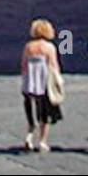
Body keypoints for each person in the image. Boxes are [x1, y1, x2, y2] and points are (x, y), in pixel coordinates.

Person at [20, 18, 63, 152]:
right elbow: (53, 65)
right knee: (44, 113)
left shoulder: (29, 46)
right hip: (44, 82)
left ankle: (29, 136)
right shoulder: (49, 47)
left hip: (30, 82)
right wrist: (59, 79)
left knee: (31, 112)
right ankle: (42, 141)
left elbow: (23, 65)